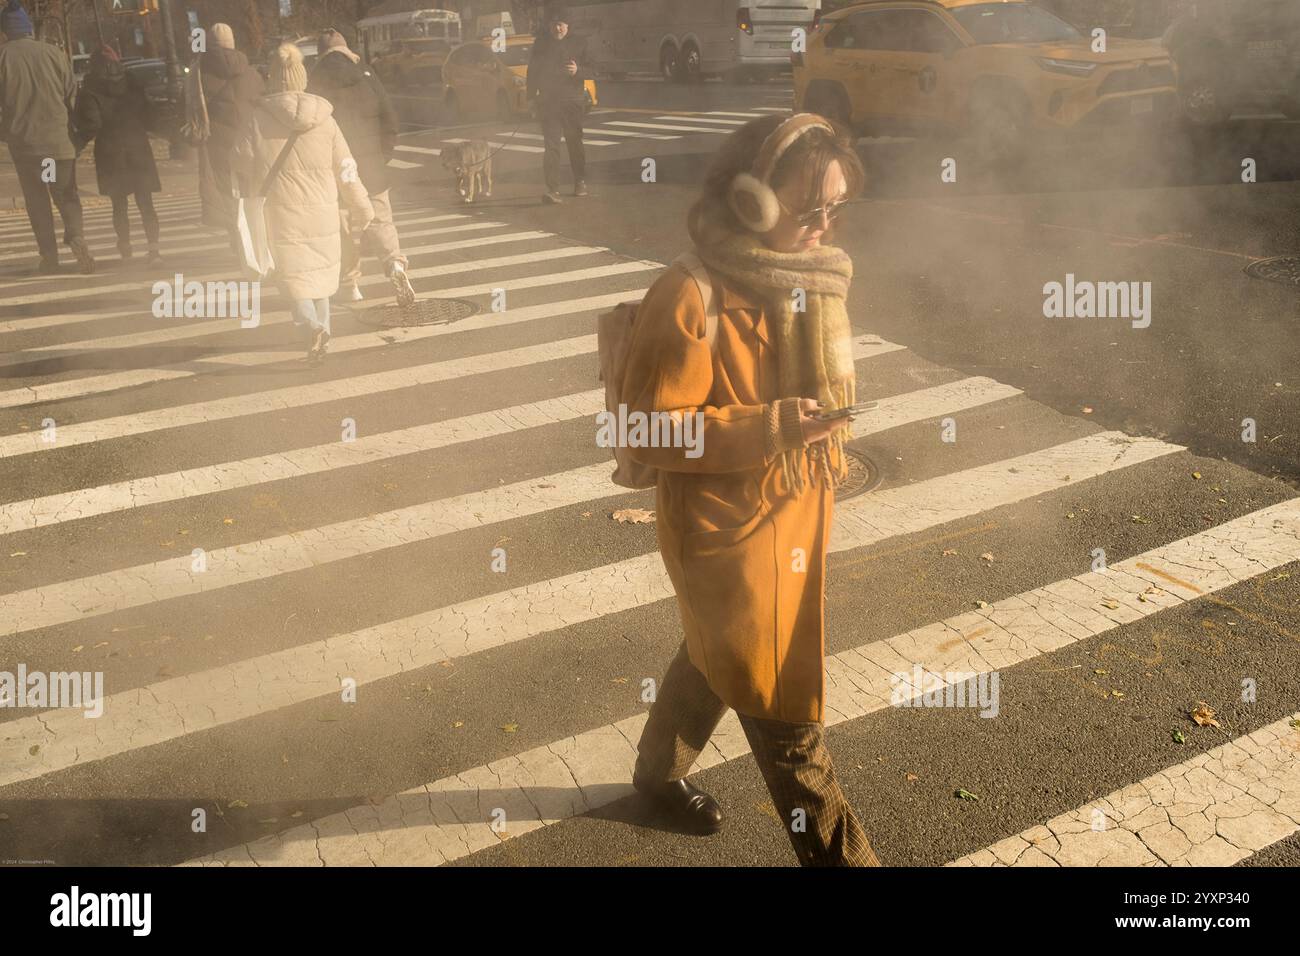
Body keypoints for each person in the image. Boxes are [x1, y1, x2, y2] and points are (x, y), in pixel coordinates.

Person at [620, 113, 881, 866]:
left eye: (837, 208)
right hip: (727, 544)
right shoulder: (688, 293)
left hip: (788, 528)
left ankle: (654, 778)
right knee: (790, 728)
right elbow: (648, 432)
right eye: (810, 210)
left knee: (709, 661)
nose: (826, 226)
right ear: (750, 201)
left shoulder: (810, 280)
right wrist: (767, 427)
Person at [234, 43, 374, 363]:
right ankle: (322, 334)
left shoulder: (257, 118)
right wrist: (361, 205)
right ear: (302, 78)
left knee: (294, 281)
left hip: (281, 215)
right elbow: (346, 168)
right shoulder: (326, 119)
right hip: (323, 213)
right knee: (320, 279)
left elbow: (238, 163)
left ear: (272, 78)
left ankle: (311, 327)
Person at [307, 27, 415, 306]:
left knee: (343, 228)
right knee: (380, 219)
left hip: (336, 168)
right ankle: (395, 265)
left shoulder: (315, 80)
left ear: (320, 54)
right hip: (371, 163)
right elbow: (389, 118)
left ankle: (351, 284)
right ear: (347, 50)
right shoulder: (366, 73)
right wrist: (383, 154)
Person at [0, 0, 93, 274]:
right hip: (58, 145)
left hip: (27, 148)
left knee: (38, 201)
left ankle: (50, 257)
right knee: (64, 195)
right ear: (29, 28)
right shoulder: (55, 54)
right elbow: (70, 97)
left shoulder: (3, 58)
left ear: (6, 30)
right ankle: (77, 236)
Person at [73, 45, 163, 264]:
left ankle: (125, 245)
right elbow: (149, 114)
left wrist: (76, 144)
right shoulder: (132, 83)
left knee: (119, 204)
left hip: (111, 151)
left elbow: (91, 124)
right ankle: (154, 250)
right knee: (146, 202)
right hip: (138, 147)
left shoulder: (90, 89)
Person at [189, 22, 263, 249]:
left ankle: (237, 237)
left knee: (228, 193)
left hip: (218, 143)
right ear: (233, 43)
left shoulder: (198, 74)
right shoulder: (251, 72)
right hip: (250, 140)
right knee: (253, 189)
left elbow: (191, 110)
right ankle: (256, 236)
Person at [525, 2, 588, 205]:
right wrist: (530, 98)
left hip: (572, 102)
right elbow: (532, 72)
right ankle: (553, 189)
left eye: (561, 24)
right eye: (554, 24)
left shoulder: (580, 43)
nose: (557, 28)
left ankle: (580, 180)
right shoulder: (541, 44)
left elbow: (596, 68)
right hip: (548, 102)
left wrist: (579, 71)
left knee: (574, 142)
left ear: (568, 26)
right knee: (551, 146)